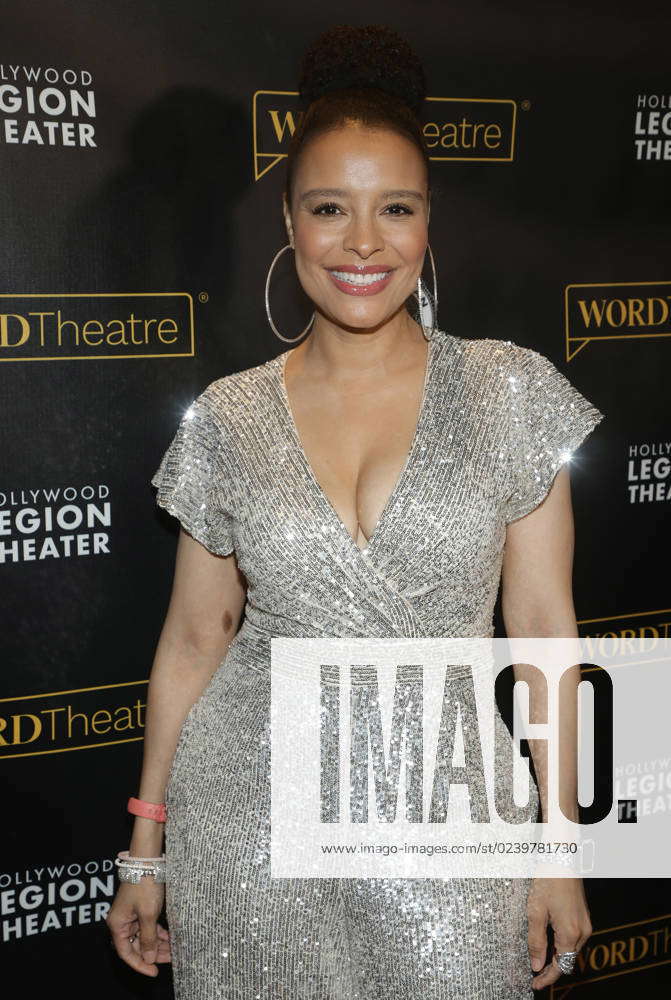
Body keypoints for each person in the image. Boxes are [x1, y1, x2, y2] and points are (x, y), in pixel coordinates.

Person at [106, 23, 601, 999]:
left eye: (395, 208)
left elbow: (545, 631)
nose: (363, 242)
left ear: (427, 223)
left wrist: (562, 850)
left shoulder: (506, 392)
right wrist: (145, 847)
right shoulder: (229, 418)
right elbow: (196, 638)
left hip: (450, 826)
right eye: (329, 207)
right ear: (288, 222)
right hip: (249, 827)